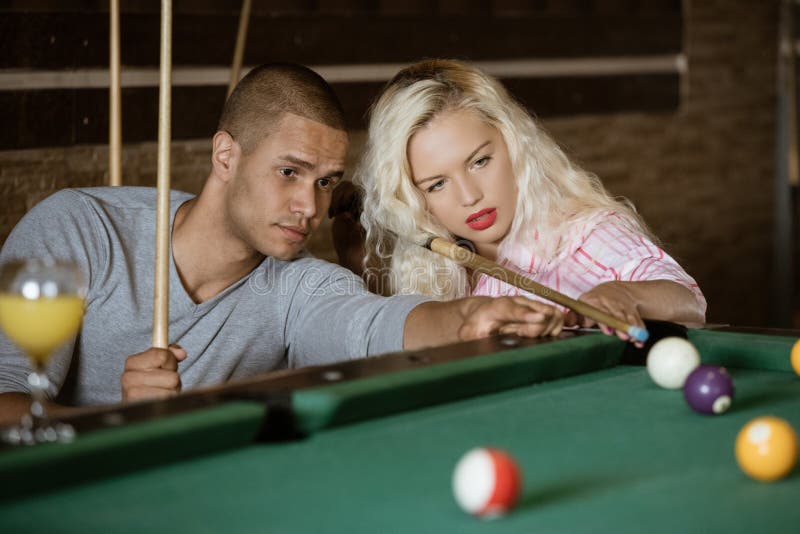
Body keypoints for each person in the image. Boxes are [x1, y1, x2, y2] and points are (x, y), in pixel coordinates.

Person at [0, 63, 564, 422]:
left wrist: (465, 316)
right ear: (226, 156)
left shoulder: (299, 283)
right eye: (289, 172)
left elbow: (369, 325)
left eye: (325, 182)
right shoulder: (72, 227)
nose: (310, 207)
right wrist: (109, 421)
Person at [351, 59, 706, 342]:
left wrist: (624, 294)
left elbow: (688, 301)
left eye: (479, 161)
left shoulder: (581, 233)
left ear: (514, 145)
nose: (470, 196)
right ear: (415, 199)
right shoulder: (434, 272)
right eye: (437, 184)